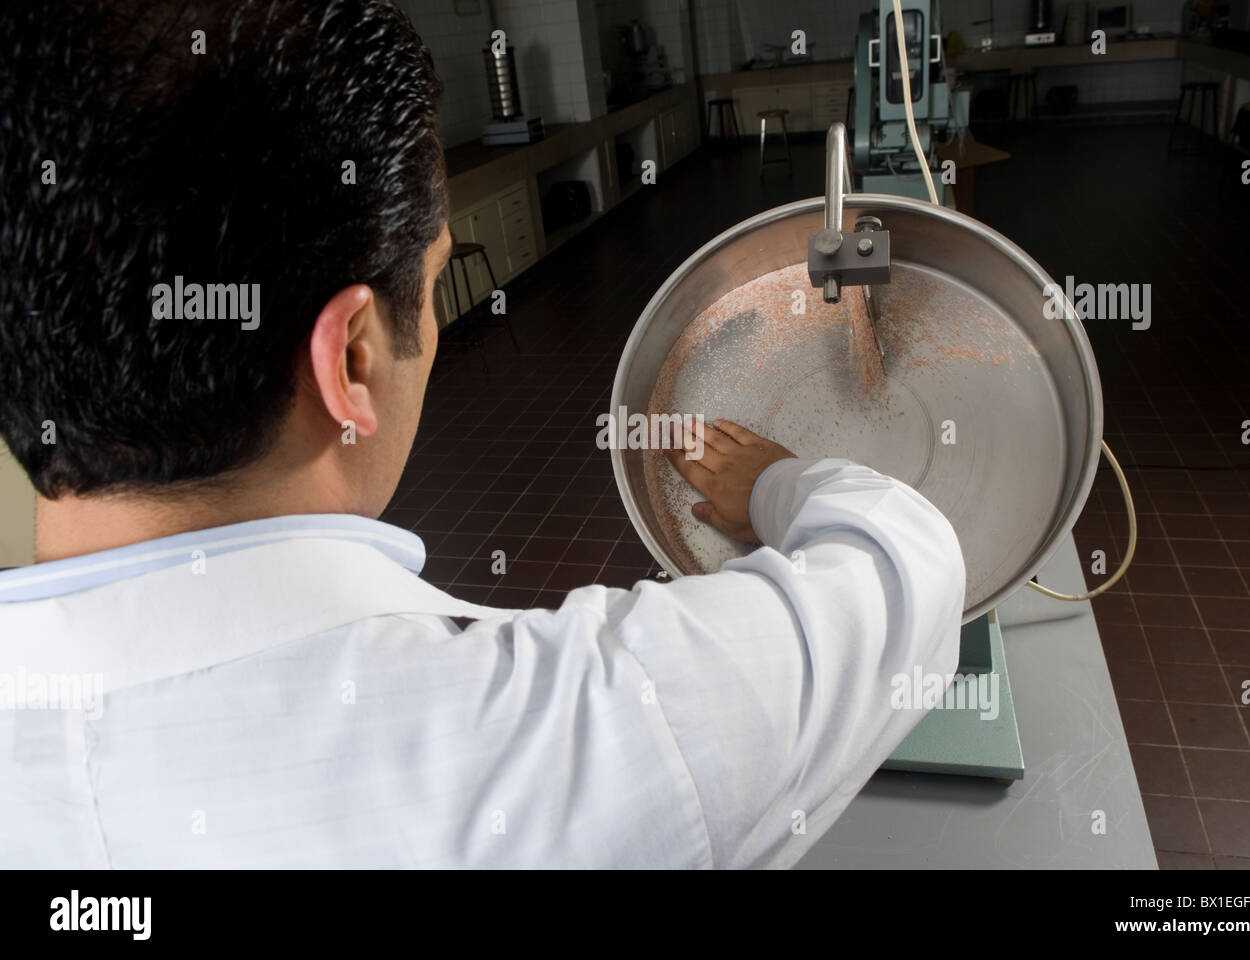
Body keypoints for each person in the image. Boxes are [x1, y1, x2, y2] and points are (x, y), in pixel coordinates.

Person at [0, 0, 964, 868]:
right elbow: (907, 561)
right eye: (431, 280)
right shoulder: (555, 746)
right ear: (354, 362)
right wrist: (772, 482)